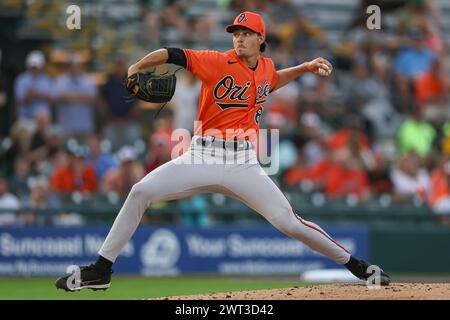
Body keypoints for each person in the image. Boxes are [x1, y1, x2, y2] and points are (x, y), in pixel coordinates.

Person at [56, 11, 390, 291]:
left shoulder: (267, 68)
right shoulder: (215, 62)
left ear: (261, 39)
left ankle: (358, 267)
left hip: (243, 162)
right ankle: (102, 270)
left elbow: (273, 79)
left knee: (289, 222)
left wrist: (303, 68)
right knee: (140, 190)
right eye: (236, 33)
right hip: (201, 155)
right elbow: (172, 53)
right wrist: (136, 67)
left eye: (246, 33)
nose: (239, 38)